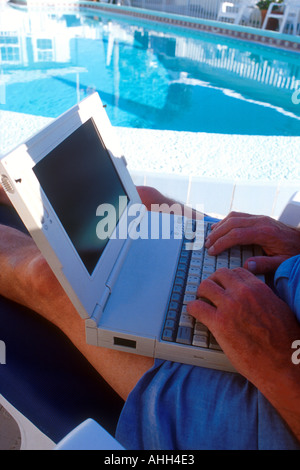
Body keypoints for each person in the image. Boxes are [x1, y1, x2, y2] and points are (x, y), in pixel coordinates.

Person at [0, 183, 300, 449]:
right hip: (289, 271)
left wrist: (282, 359)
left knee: (51, 279)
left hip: (279, 402)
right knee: (140, 202)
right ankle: (14, 187)